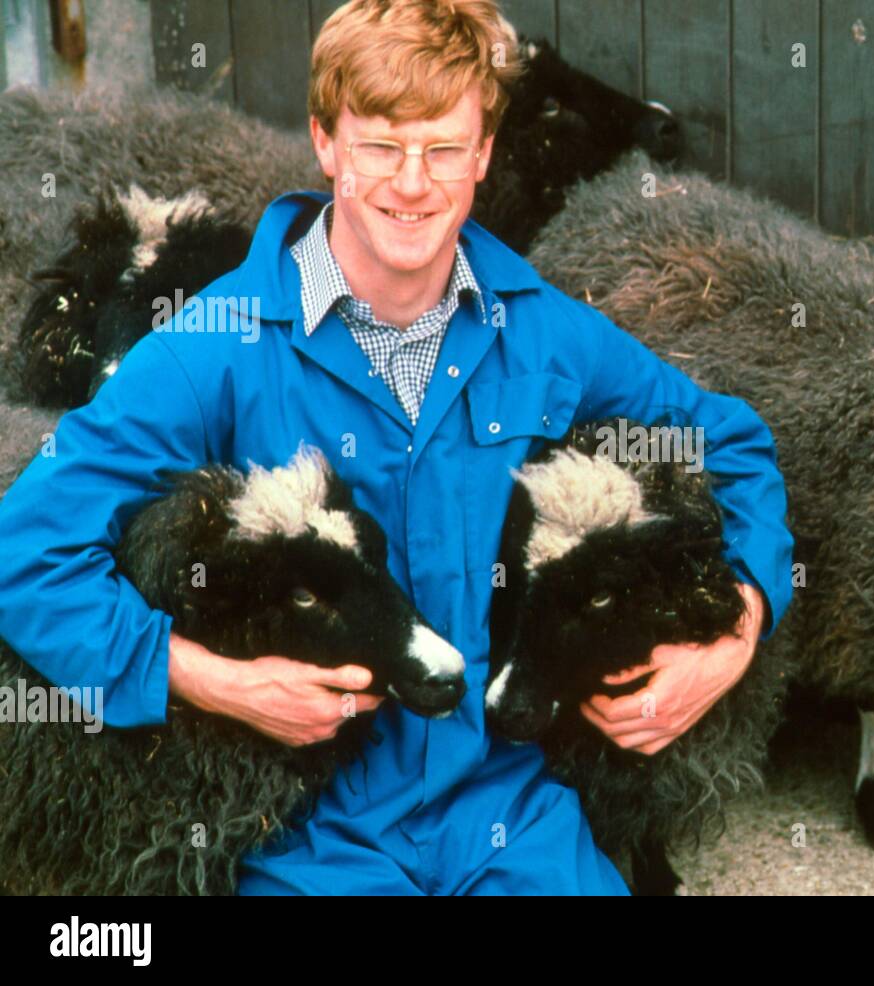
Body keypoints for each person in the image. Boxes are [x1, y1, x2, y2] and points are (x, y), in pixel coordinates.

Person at [0, 0, 793, 894]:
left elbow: (730, 441)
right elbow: (25, 549)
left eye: (444, 149)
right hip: (311, 826)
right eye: (381, 144)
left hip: (505, 805)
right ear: (327, 143)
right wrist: (217, 682)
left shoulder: (542, 332)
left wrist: (734, 634)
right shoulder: (217, 346)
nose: (413, 184)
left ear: (485, 154)